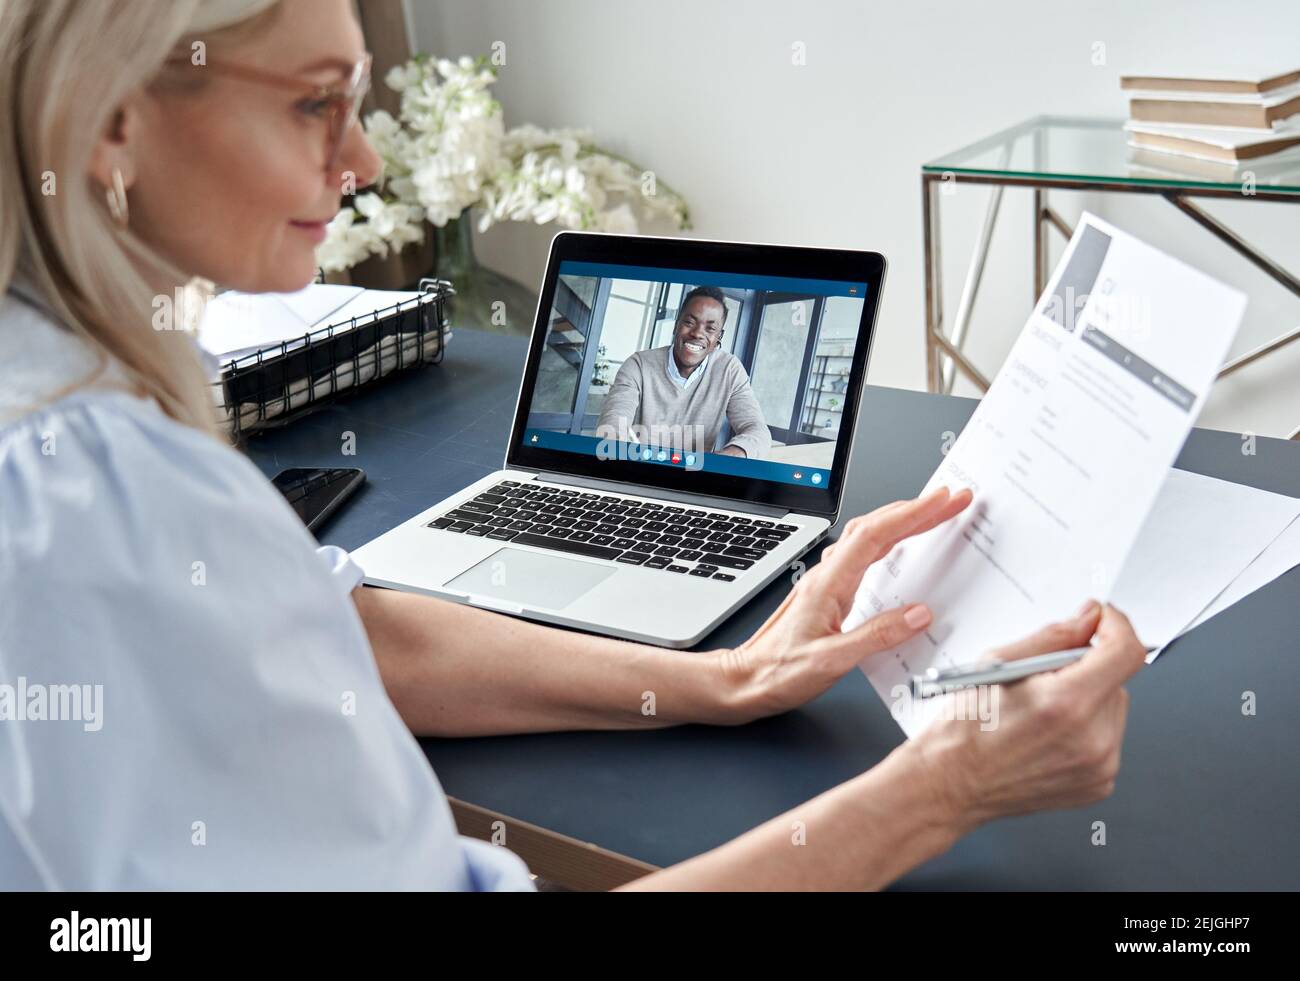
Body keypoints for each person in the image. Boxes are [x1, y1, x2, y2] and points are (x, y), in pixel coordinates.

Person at [0, 0, 1146, 891]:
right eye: (315, 105)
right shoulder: (105, 500)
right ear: (112, 119)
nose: (361, 166)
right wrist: (943, 792)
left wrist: (720, 679)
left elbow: (351, 624)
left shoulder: (62, 406)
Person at [595, 286, 771, 460]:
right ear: (676, 325)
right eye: (689, 322)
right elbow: (613, 424)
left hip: (694, 478)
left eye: (710, 329)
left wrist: (730, 455)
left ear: (719, 337)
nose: (697, 334)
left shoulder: (729, 370)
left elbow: (757, 430)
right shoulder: (638, 365)